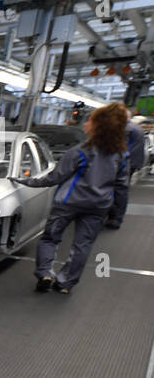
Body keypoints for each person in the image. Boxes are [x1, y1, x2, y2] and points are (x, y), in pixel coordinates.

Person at [15, 103, 130, 295]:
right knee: (82, 245)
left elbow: (55, 178)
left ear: (98, 126)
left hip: (68, 204)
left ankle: (45, 273)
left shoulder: (80, 152)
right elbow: (121, 186)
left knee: (51, 239)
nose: (85, 124)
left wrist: (26, 181)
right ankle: (65, 283)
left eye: (89, 120)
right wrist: (117, 215)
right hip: (98, 206)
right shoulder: (121, 155)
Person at [105, 115, 148, 229]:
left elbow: (119, 148)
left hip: (125, 163)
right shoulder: (136, 128)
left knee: (118, 190)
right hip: (132, 162)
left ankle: (114, 218)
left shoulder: (127, 129)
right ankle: (114, 217)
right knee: (121, 189)